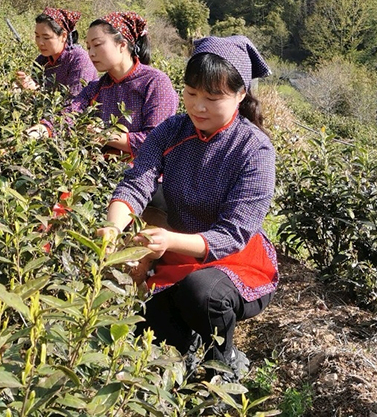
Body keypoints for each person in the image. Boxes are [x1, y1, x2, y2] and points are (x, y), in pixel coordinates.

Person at [98, 35, 278, 382]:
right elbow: (137, 182)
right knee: (151, 332)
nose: (198, 107)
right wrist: (113, 228)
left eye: (213, 98)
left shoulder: (254, 150)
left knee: (202, 293)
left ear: (240, 95)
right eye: (191, 94)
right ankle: (189, 347)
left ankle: (224, 363)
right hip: (177, 249)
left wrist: (167, 242)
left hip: (234, 260)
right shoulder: (172, 131)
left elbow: (233, 234)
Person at [27, 12, 179, 158]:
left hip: (142, 176)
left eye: (97, 45)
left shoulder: (155, 82)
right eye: (88, 47)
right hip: (102, 171)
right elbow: (70, 114)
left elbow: (157, 141)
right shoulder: (95, 88)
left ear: (122, 45)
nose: (91, 53)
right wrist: (42, 129)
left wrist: (105, 135)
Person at [15, 7, 98, 97]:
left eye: (46, 37)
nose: (40, 42)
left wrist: (35, 91)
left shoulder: (79, 60)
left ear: (63, 36)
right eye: (37, 36)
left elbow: (76, 102)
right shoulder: (41, 61)